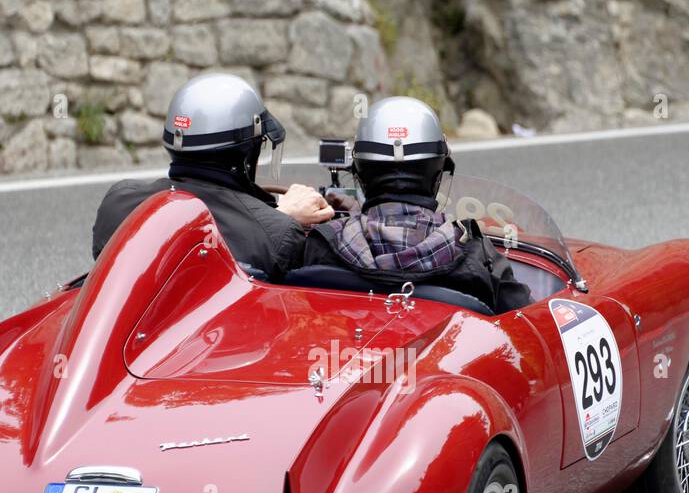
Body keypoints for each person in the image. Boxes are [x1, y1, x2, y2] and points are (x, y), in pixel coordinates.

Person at [299, 96, 532, 313]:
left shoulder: (323, 244)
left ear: (360, 172)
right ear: (438, 171)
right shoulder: (474, 252)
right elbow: (524, 318)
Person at [91, 73, 332, 277]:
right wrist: (279, 217)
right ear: (248, 153)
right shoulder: (276, 235)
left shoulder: (119, 203)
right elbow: (242, 241)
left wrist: (276, 217)